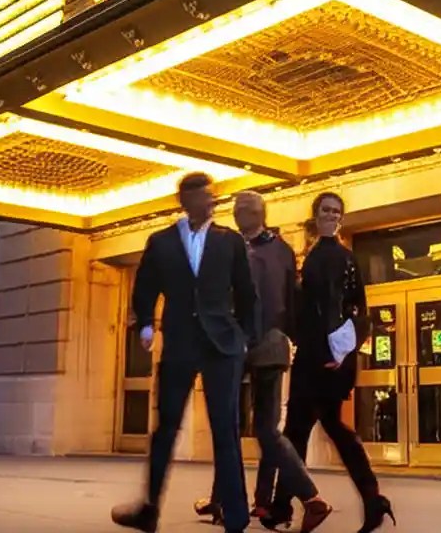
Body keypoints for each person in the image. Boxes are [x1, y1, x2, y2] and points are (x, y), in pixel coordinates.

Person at [111, 173, 259, 533]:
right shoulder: (160, 242)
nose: (210, 201)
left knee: (226, 429)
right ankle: (149, 511)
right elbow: (144, 287)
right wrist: (145, 323)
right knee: (166, 429)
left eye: (212, 195)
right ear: (185, 200)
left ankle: (236, 519)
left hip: (222, 346)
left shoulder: (230, 241)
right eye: (203, 196)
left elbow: (246, 293)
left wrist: (245, 340)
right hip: (179, 343)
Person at [193, 191, 332, 532]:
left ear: (260, 212)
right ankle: (290, 500)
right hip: (262, 344)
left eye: (247, 209)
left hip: (257, 345)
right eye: (238, 208)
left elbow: (279, 300)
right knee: (259, 429)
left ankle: (252, 500)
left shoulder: (255, 251)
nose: (241, 213)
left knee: (246, 427)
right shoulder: (272, 249)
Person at [266, 192, 395, 533]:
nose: (331, 216)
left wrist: (335, 353)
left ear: (341, 218)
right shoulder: (317, 255)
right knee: (313, 430)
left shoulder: (337, 257)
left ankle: (287, 507)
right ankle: (369, 501)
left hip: (323, 360)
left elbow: (347, 309)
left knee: (305, 431)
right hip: (321, 356)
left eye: (336, 212)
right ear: (316, 214)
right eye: (326, 210)